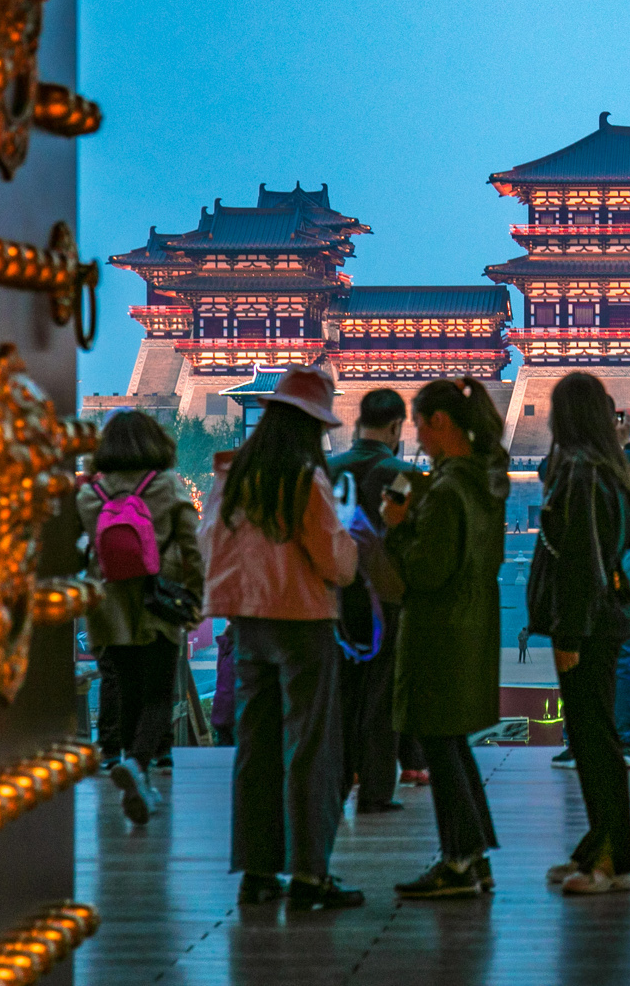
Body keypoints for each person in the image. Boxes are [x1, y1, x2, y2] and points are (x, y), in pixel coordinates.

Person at [200, 365, 362, 910]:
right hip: (303, 621)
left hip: (246, 624)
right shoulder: (303, 477)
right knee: (311, 748)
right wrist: (355, 552)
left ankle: (257, 869)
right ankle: (312, 873)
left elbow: (210, 547)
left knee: (256, 746)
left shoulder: (232, 475)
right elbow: (333, 560)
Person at [384, 377, 511, 898]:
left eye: (419, 424)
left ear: (440, 422)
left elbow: (425, 570)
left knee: (440, 745)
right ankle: (472, 854)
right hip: (473, 624)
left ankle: (459, 860)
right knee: (452, 745)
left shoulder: (447, 489)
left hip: (439, 631)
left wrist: (397, 524)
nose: (417, 436)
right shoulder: (486, 481)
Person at [527, 372, 630, 895]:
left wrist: (568, 633)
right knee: (598, 740)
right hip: (607, 619)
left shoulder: (581, 473)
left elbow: (579, 562)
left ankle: (611, 861)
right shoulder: (607, 468)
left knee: (595, 742)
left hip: (587, 626)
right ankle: (600, 847)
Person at [76, 411, 203, 825]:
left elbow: (79, 549)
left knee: (126, 690)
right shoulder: (166, 486)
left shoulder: (90, 492)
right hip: (158, 600)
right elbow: (190, 547)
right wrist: (194, 597)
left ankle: (133, 767)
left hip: (107, 602)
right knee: (158, 693)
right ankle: (138, 765)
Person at [327, 388, 413, 815]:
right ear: (397, 426)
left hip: (335, 597)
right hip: (386, 599)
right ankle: (377, 788)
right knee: (382, 694)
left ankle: (337, 781)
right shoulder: (401, 473)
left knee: (340, 693)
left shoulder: (328, 469)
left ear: (359, 422)